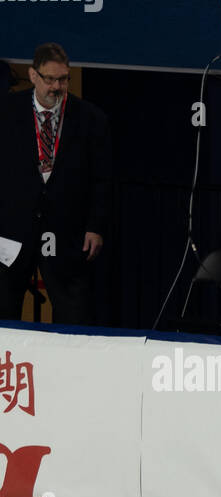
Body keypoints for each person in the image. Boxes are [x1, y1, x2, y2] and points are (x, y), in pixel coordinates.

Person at [0, 44, 111, 324]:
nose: (56, 87)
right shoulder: (6, 111)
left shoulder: (91, 118)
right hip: (13, 231)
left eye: (63, 79)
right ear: (33, 75)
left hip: (67, 232)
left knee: (74, 317)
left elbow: (103, 178)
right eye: (49, 79)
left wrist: (95, 226)